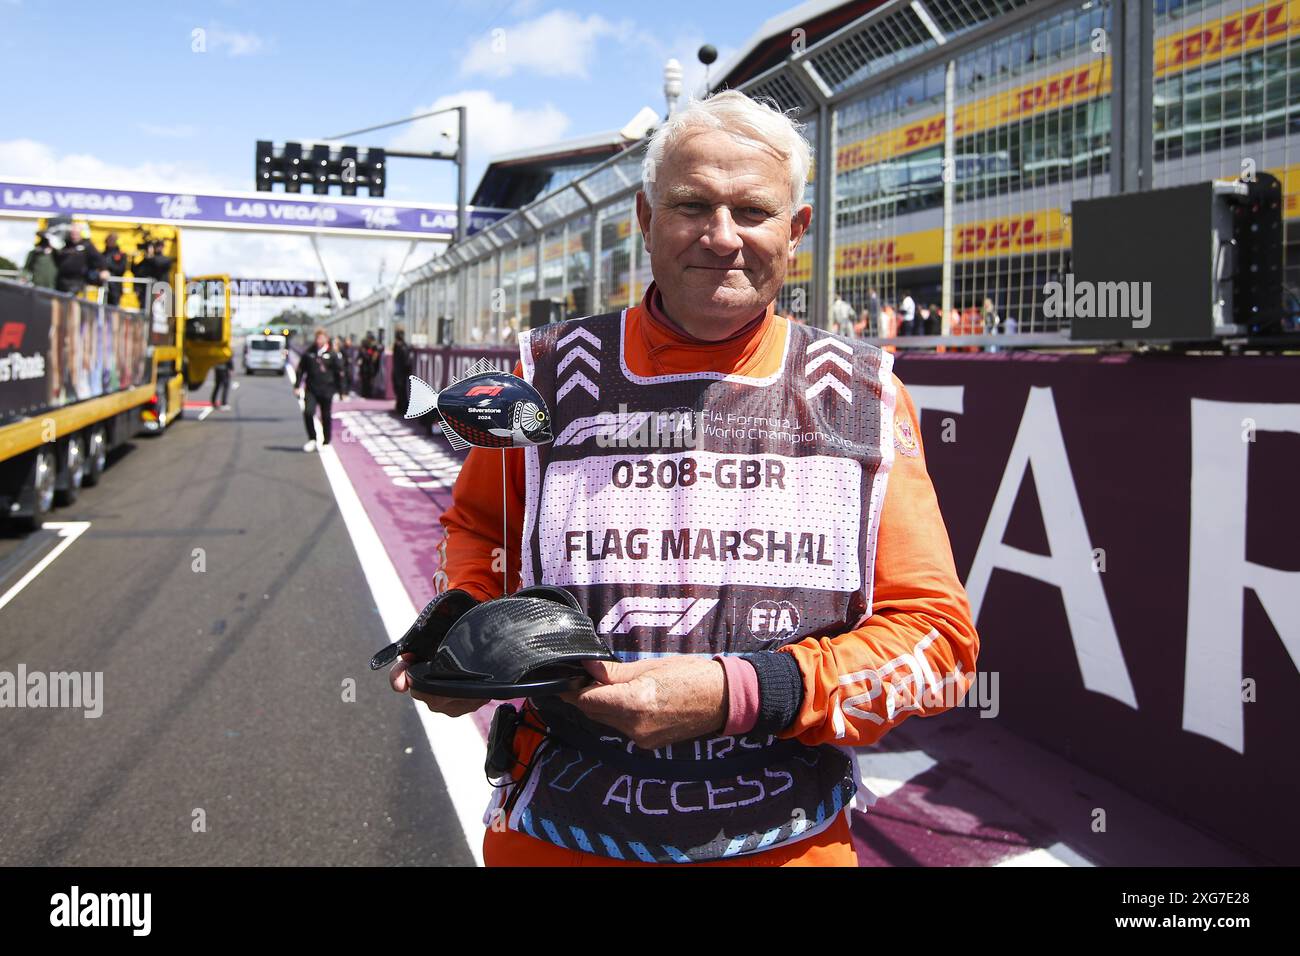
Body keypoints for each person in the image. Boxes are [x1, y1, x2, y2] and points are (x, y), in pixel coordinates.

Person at [389, 90, 978, 867]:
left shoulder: (863, 393)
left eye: (754, 211)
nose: (722, 236)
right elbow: (480, 534)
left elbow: (937, 647)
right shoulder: (546, 375)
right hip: (553, 831)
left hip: (786, 845)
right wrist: (468, 630)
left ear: (797, 230)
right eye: (692, 204)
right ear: (643, 217)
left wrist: (743, 693)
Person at [294, 327, 344, 452]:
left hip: (327, 389)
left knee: (326, 416)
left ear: (326, 339)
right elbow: (300, 370)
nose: (319, 340)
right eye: (317, 338)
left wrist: (341, 391)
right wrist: (297, 385)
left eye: (321, 338)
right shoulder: (309, 353)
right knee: (308, 412)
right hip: (311, 389)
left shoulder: (333, 354)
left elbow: (340, 373)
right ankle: (312, 438)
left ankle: (326, 441)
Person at [54, 224, 108, 297]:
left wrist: (103, 269)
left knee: (73, 301)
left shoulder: (86, 245)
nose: (74, 235)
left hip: (77, 279)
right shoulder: (65, 244)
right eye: (72, 233)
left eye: (76, 233)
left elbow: (99, 258)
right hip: (62, 278)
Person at [102, 233, 129, 306]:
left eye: (113, 240)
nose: (111, 242)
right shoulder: (103, 254)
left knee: (114, 308)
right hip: (103, 285)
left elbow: (121, 269)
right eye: (109, 240)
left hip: (115, 287)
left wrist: (109, 265)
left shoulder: (121, 255)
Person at [390, 326, 412, 414]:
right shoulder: (400, 346)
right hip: (399, 371)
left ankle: (402, 408)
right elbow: (405, 359)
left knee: (401, 391)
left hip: (399, 371)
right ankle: (401, 407)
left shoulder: (400, 345)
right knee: (401, 391)